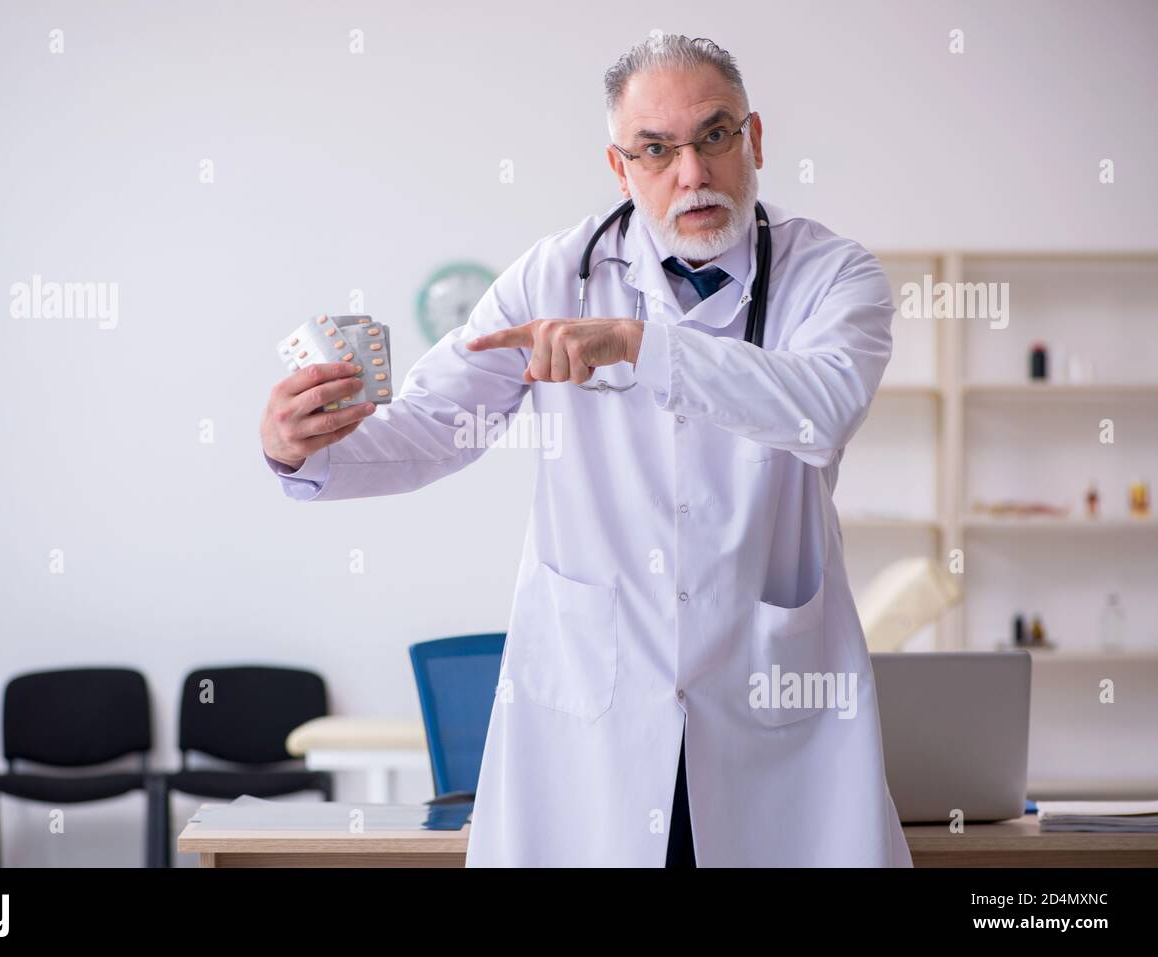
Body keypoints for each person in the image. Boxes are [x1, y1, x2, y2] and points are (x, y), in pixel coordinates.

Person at [260, 34, 912, 867]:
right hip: (596, 717)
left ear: (754, 139)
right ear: (620, 166)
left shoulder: (832, 275)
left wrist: (643, 345)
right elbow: (433, 427)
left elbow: (823, 405)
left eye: (714, 137)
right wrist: (302, 451)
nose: (692, 174)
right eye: (655, 149)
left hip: (772, 702)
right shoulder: (555, 276)